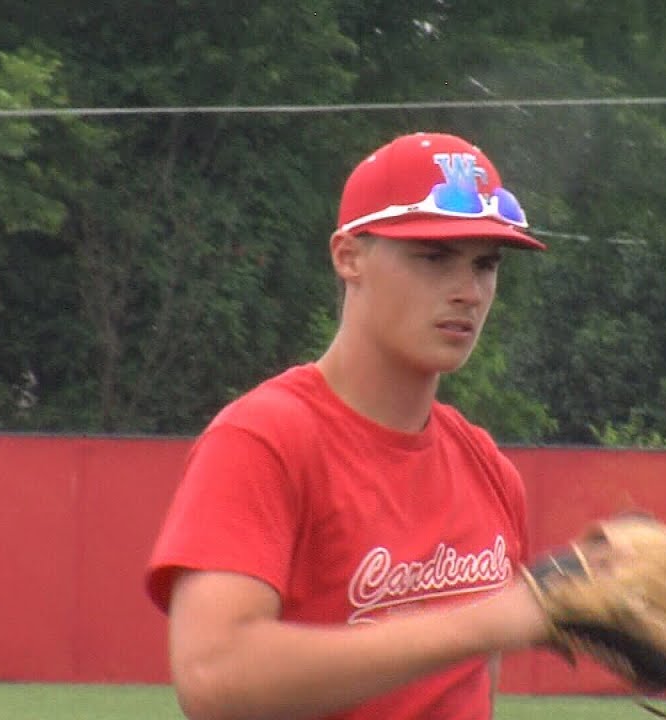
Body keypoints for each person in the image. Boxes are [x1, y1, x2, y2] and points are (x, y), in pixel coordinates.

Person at [145, 131, 552, 720]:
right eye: (434, 257)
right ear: (348, 256)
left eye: (485, 265)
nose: (468, 292)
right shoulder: (263, 440)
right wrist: (482, 623)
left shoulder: (487, 468)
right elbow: (213, 674)